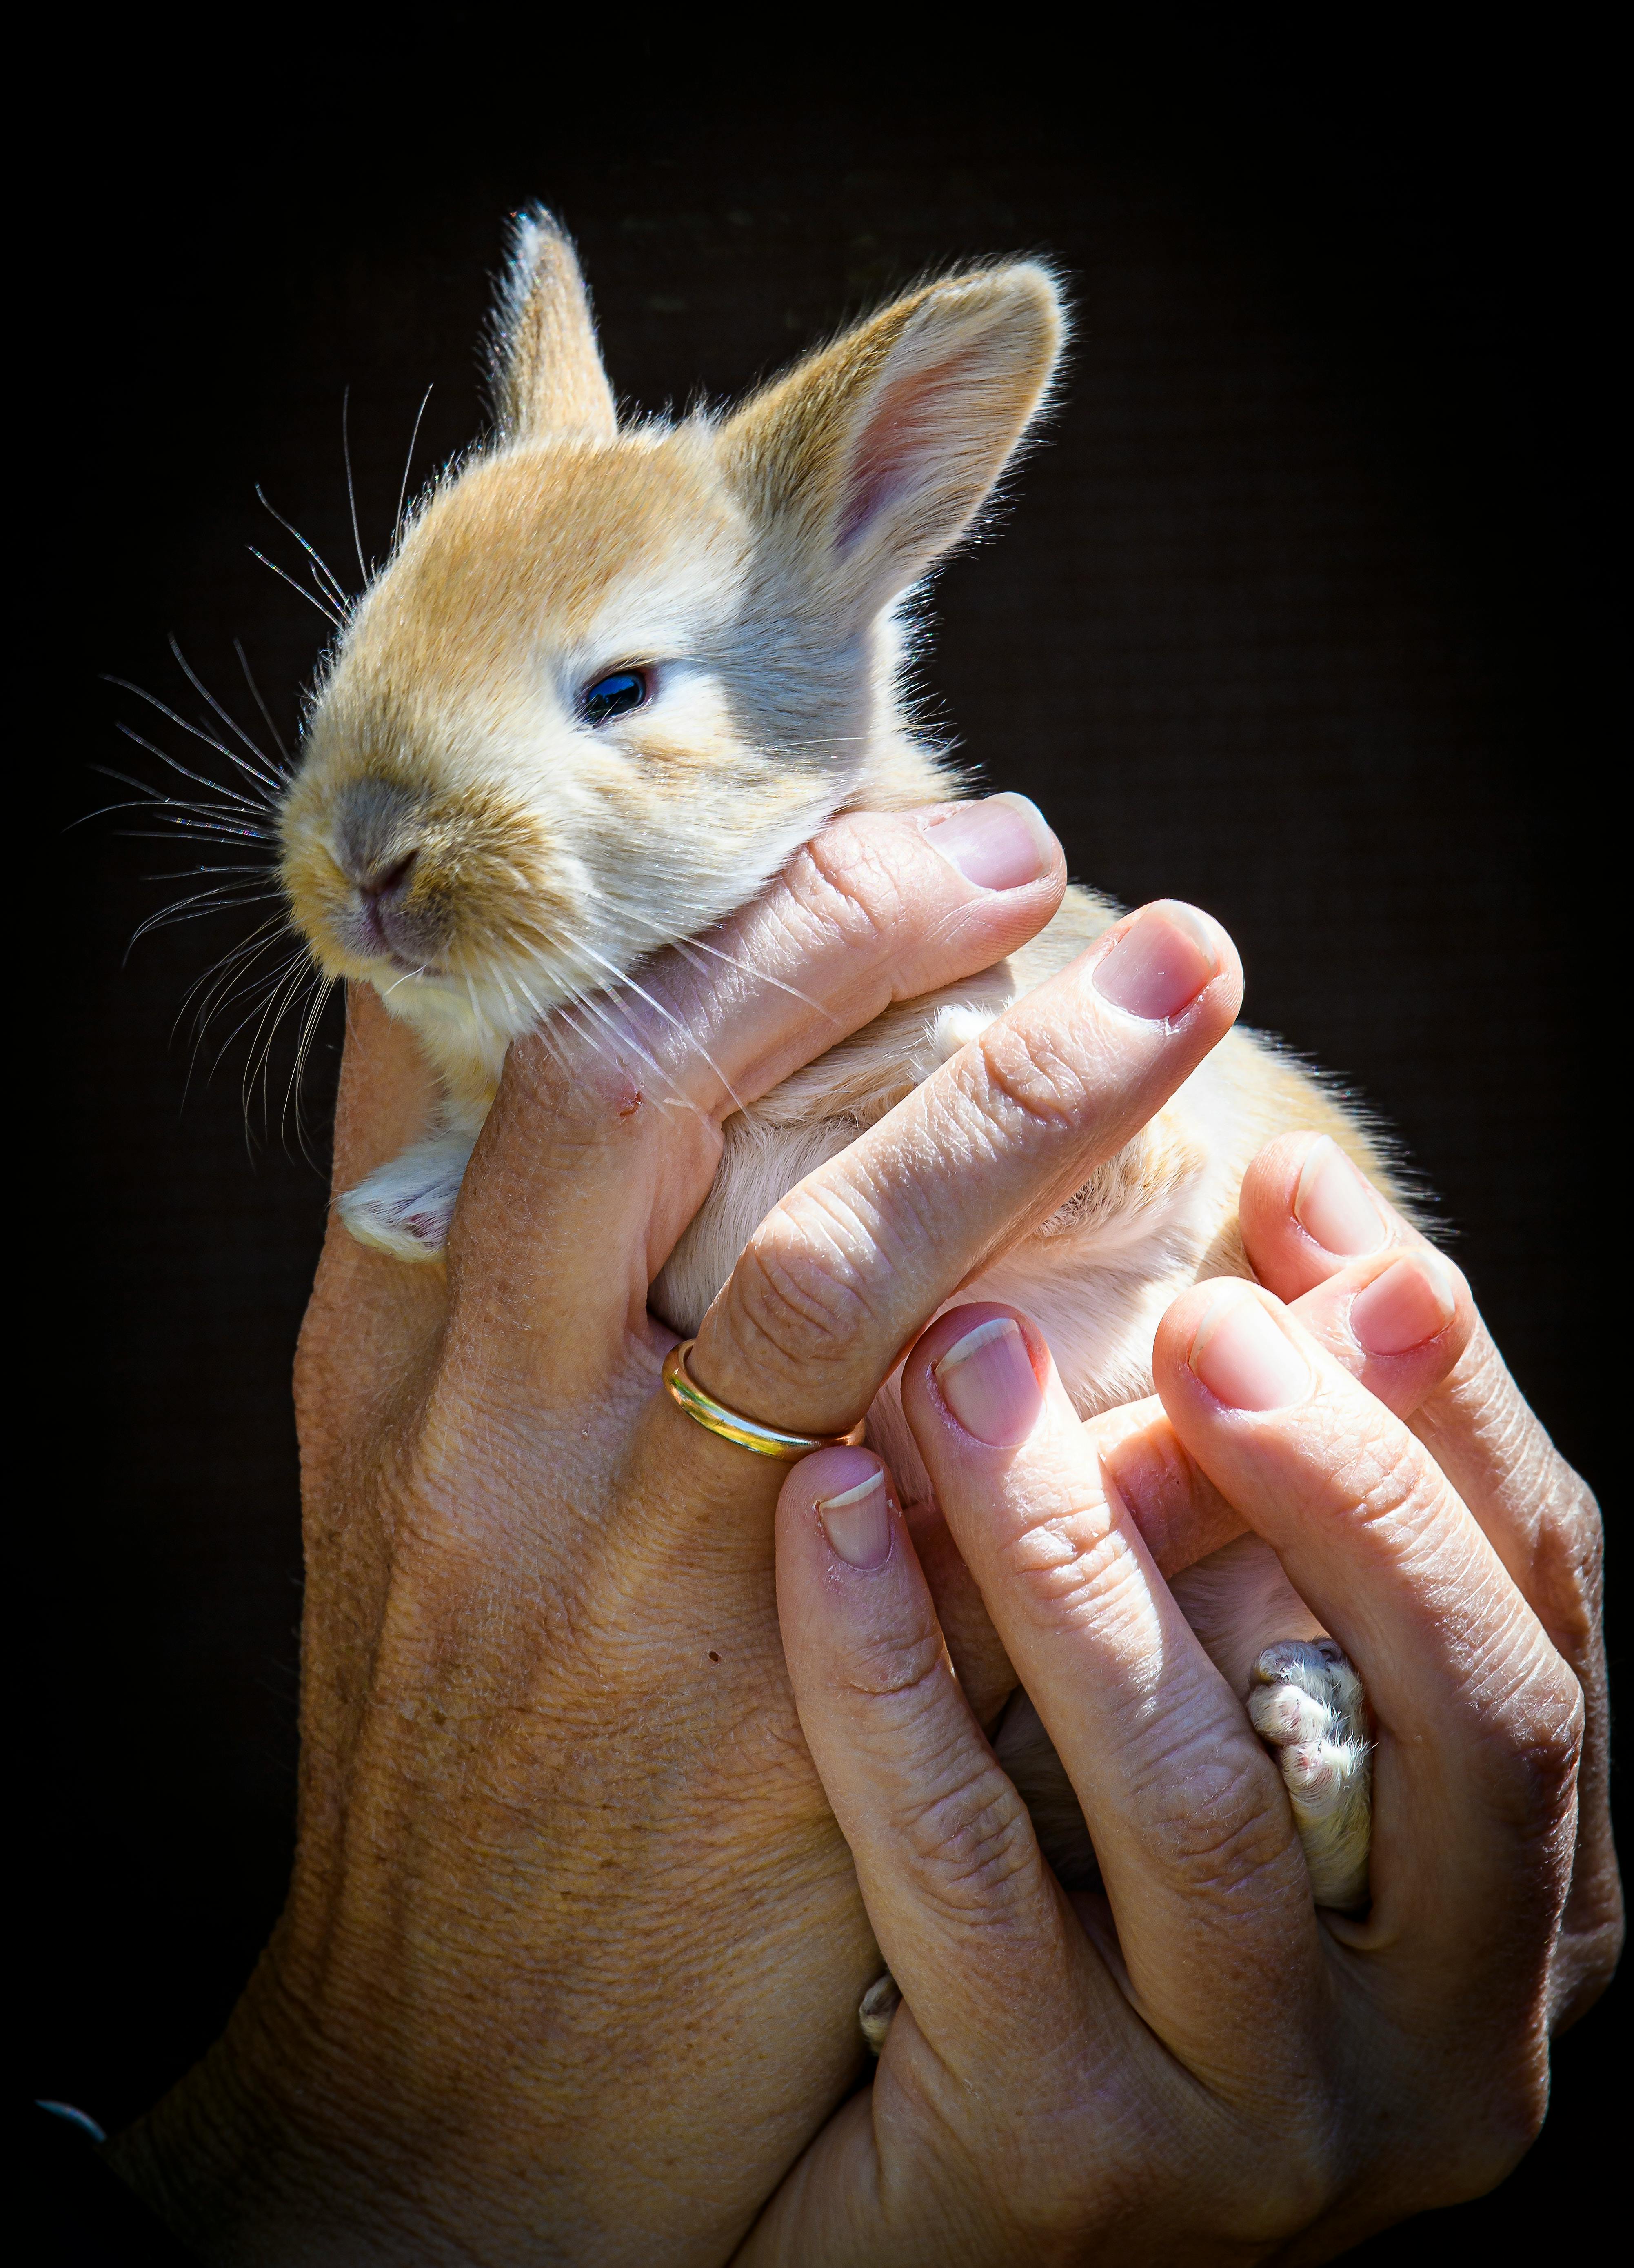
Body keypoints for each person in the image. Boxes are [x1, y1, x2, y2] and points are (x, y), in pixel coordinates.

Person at [100, 798, 1618, 2261]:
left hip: (1220, 1660)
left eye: (619, 693)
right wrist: (369, 2157)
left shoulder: (923, 928)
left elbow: (1150, 1187)